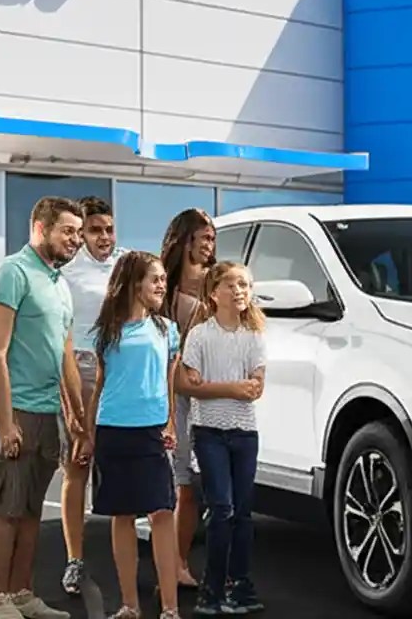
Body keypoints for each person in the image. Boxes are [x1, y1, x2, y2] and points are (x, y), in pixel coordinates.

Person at [0, 197, 87, 619]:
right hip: (11, 411)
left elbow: (66, 358)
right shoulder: (12, 272)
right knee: (6, 510)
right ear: (41, 228)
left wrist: (78, 421)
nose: (76, 240)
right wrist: (5, 423)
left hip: (45, 414)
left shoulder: (59, 284)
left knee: (31, 512)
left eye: (79, 232)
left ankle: (22, 595)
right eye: (68, 231)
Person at [79, 251, 184, 619]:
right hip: (112, 432)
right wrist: (88, 435)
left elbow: (170, 384)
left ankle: (170, 608)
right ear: (134, 283)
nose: (161, 285)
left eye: (162, 279)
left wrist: (171, 423)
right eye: (154, 279)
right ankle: (129, 605)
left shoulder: (167, 330)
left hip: (151, 432)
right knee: (121, 517)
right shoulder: (106, 332)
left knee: (161, 514)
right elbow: (102, 384)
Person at [179, 261, 268, 615]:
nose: (239, 291)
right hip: (209, 432)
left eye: (244, 285)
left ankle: (239, 585)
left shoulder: (254, 337)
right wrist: (232, 387)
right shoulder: (200, 335)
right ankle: (211, 591)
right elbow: (190, 385)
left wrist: (216, 388)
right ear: (214, 293)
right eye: (231, 285)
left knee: (243, 513)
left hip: (245, 433)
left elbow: (256, 388)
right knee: (221, 509)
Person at [56, 195, 127, 595]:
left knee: (122, 466)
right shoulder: (66, 276)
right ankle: (74, 560)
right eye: (96, 230)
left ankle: (126, 556)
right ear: (81, 234)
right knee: (78, 466)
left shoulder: (127, 264)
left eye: (109, 229)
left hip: (122, 374)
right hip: (82, 372)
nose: (104, 237)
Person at [159, 208, 217, 589]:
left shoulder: (218, 281)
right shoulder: (163, 285)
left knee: (199, 483)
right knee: (182, 481)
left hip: (213, 394)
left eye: (212, 239)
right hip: (174, 394)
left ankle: (183, 561)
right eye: (204, 238)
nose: (210, 246)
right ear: (185, 240)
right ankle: (175, 564)